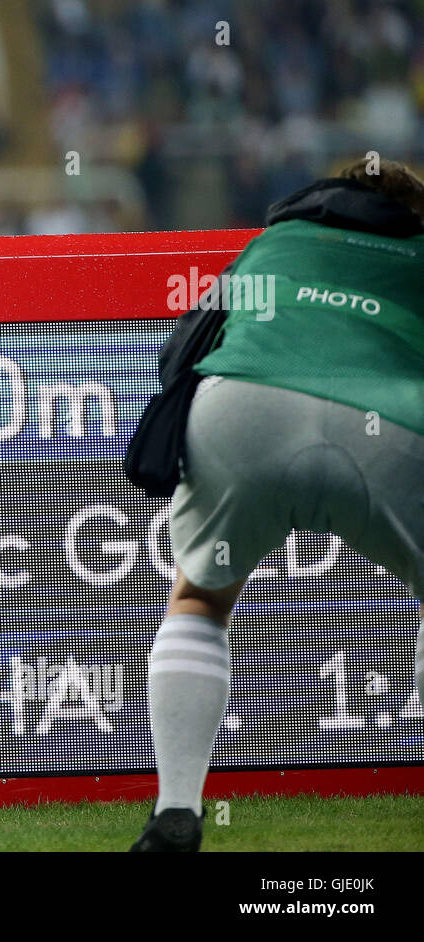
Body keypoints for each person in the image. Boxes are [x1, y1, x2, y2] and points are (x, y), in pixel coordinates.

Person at [130, 159, 424, 851]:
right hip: (387, 419)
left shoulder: (276, 241)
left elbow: (184, 349)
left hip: (243, 405)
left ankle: (177, 811)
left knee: (199, 600)